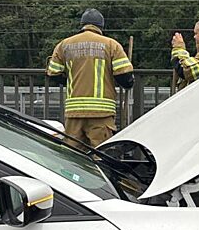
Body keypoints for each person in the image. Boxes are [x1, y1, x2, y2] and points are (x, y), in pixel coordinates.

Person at [45, 8, 134, 147]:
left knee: (73, 155)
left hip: (74, 112)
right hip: (101, 113)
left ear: (82, 25)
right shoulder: (111, 45)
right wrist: (128, 83)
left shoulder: (64, 45)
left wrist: (72, 79)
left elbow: (53, 73)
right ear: (101, 26)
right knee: (100, 154)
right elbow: (125, 76)